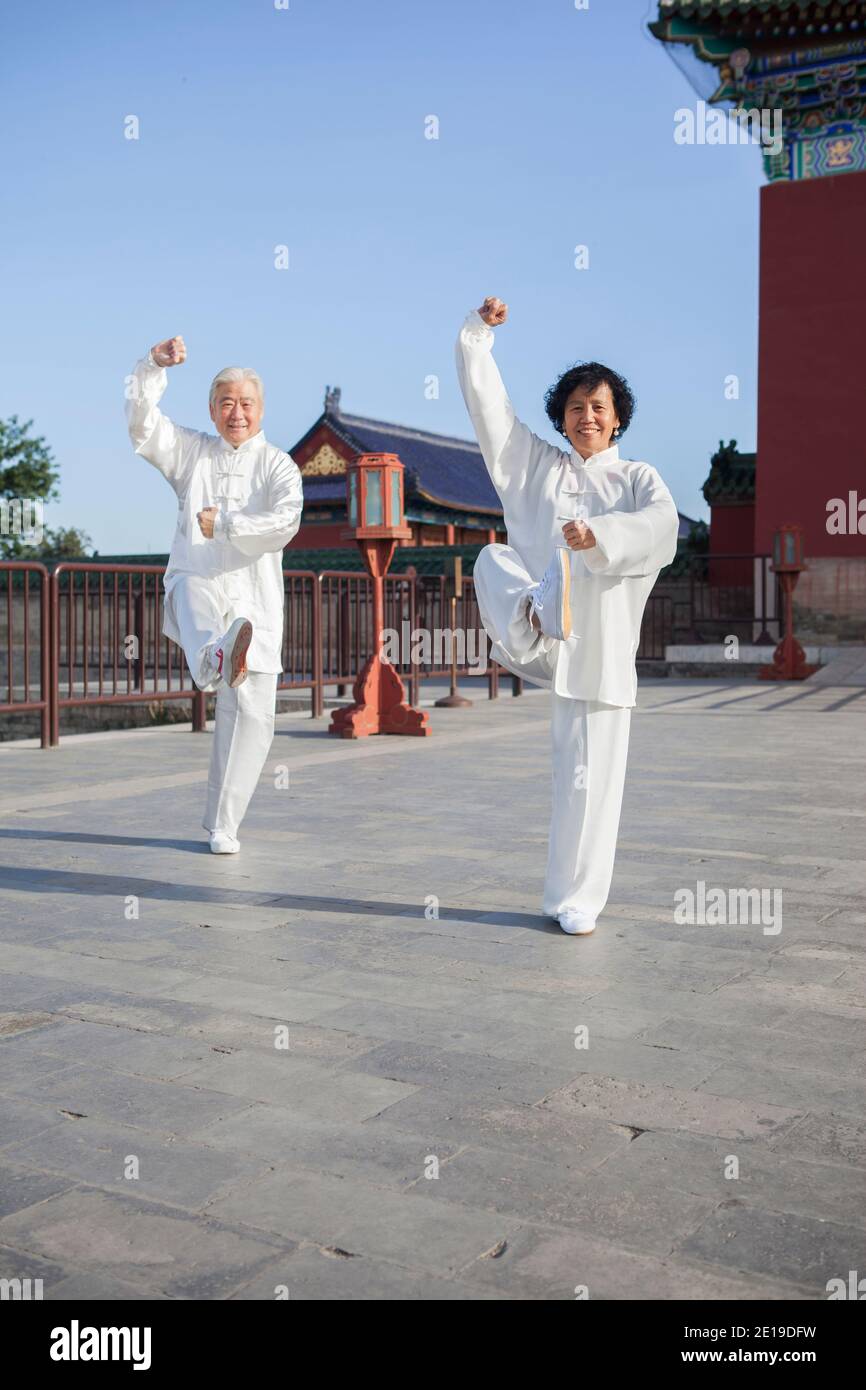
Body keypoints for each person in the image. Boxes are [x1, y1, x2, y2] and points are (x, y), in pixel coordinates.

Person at [456, 297, 679, 935]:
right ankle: (539, 603)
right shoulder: (535, 469)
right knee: (493, 559)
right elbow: (490, 415)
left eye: (598, 408)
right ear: (561, 416)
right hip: (547, 640)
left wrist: (599, 538)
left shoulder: (638, 478)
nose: (587, 417)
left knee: (586, 780)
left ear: (617, 421)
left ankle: (570, 897)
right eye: (576, 407)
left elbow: (662, 529)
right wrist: (477, 338)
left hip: (603, 651)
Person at [125, 335, 303, 854]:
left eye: (246, 402)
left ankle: (223, 825)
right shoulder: (191, 453)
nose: (236, 412)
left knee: (253, 718)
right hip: (198, 577)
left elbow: (286, 522)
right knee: (197, 598)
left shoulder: (278, 465)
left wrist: (224, 523)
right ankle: (212, 657)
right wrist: (152, 367)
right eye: (226, 402)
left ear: (261, 409)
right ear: (211, 409)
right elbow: (143, 427)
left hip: (255, 600)